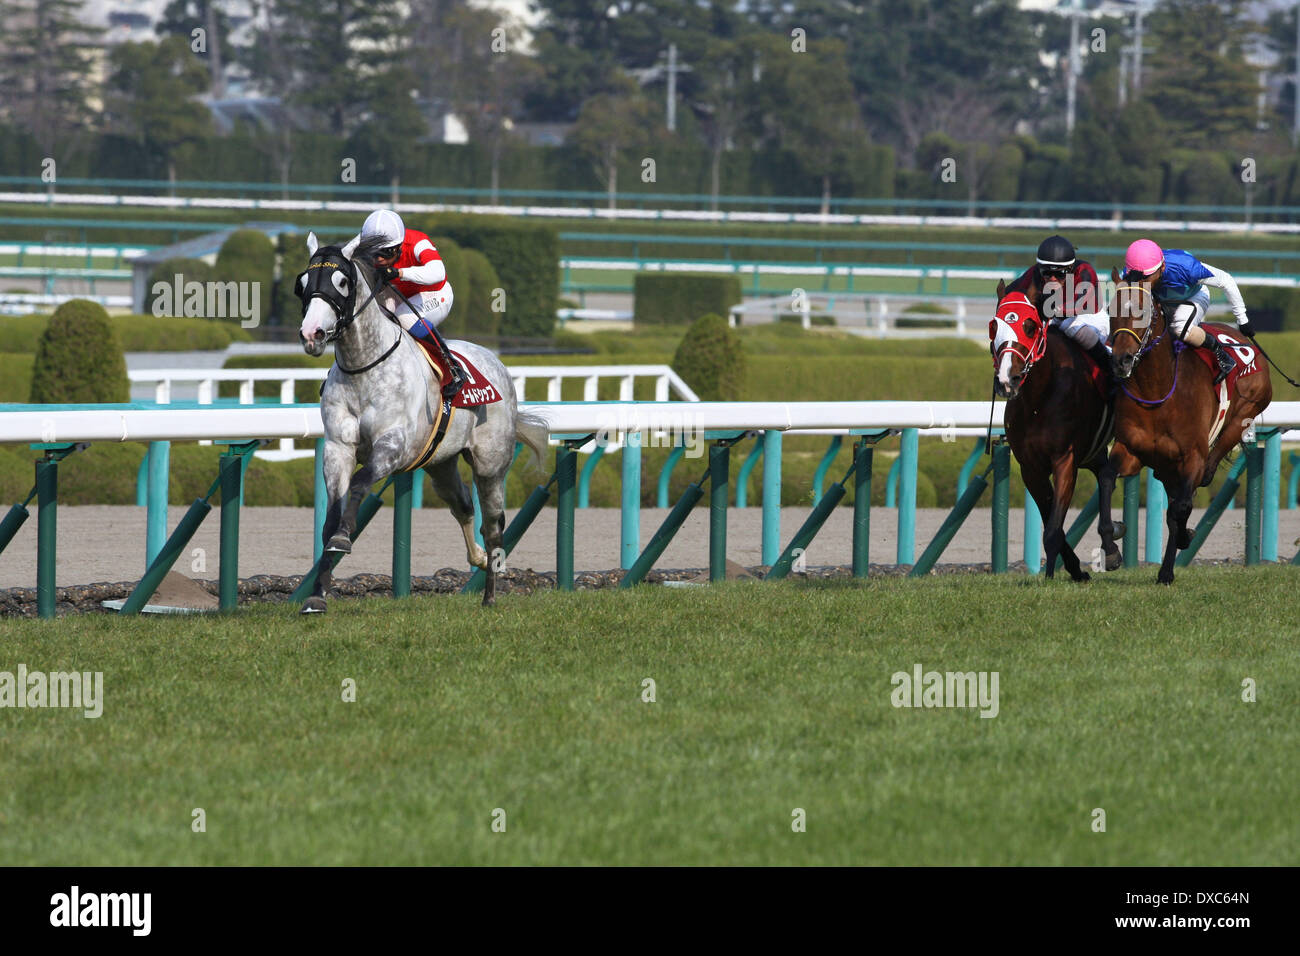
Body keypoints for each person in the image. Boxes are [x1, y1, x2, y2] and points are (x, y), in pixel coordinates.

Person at [354, 209, 464, 399]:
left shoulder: (418, 243)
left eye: (384, 253)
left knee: (404, 316)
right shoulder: (364, 240)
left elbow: (438, 272)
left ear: (398, 247)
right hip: (398, 295)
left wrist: (400, 273)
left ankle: (452, 368)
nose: (378, 259)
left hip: (435, 294)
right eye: (372, 253)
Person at [1123, 239, 1254, 386]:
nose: (1141, 283)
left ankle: (1222, 355)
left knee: (1180, 329)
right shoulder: (1133, 271)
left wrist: (1242, 320)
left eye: (1146, 278)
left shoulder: (1187, 267)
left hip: (1193, 296)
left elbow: (1227, 281)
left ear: (1162, 266)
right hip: (1162, 299)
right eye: (1138, 278)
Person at [1005, 235, 1112, 373]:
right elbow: (1008, 293)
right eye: (1047, 273)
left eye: (1060, 274)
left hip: (1089, 316)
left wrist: (1048, 307)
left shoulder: (1084, 271)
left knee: (1071, 327)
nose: (1053, 279)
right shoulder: (1036, 272)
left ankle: (1109, 368)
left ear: (1071, 267)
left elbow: (1080, 305)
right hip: (1056, 315)